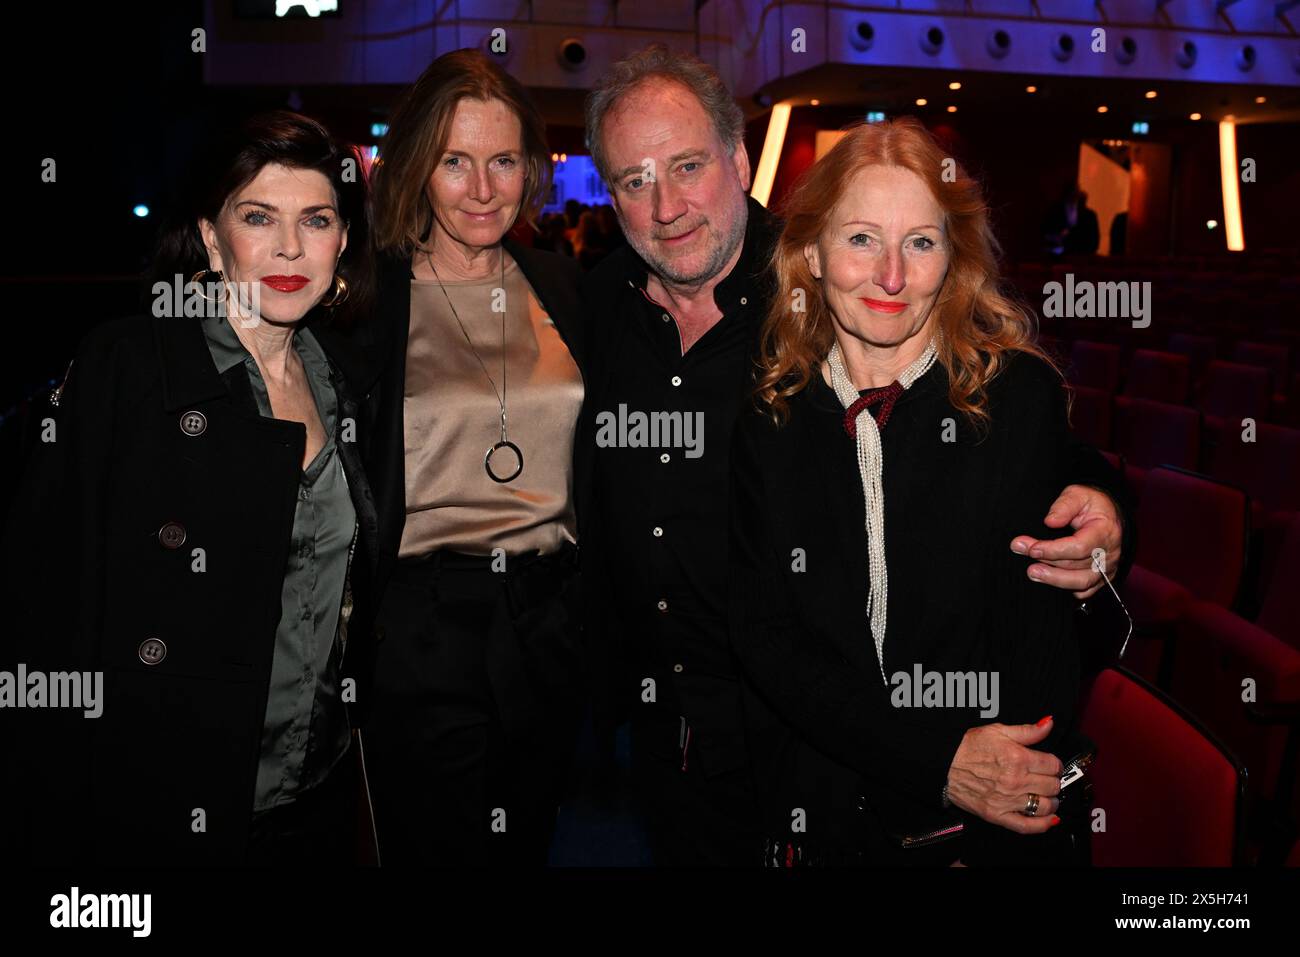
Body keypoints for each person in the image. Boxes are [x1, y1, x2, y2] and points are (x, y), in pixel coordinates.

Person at [577, 43, 1131, 866]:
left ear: (737, 158)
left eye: (689, 165)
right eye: (634, 179)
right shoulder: (596, 311)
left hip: (882, 791)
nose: (667, 205)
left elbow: (1039, 469)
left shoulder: (808, 316)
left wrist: (1105, 496)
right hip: (692, 755)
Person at [0, 111, 379, 866]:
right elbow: (42, 603)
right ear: (212, 238)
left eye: (317, 219)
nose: (289, 247)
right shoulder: (129, 369)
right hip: (160, 798)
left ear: (343, 242)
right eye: (258, 217)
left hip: (314, 790)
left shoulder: (344, 380)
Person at [731, 117, 1089, 866]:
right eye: (861, 238)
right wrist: (930, 760)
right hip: (823, 812)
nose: (891, 276)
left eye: (921, 243)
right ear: (811, 254)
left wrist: (974, 789)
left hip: (982, 826)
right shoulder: (770, 411)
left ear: (952, 260)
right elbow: (767, 640)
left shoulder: (1017, 396)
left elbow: (1041, 644)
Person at [340, 48, 587, 866]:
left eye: (504, 161)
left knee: (527, 842)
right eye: (456, 161)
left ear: (531, 170)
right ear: (418, 166)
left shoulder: (562, 282)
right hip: (421, 623)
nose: (483, 189)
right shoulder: (369, 298)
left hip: (547, 618)